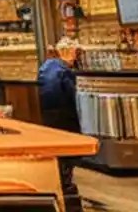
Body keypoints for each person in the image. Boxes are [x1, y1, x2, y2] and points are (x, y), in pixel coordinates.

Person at [37, 47, 81, 212]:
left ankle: (61, 177)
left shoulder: (43, 68)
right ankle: (66, 183)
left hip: (47, 114)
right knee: (68, 150)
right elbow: (71, 94)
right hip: (63, 114)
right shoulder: (64, 70)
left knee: (56, 149)